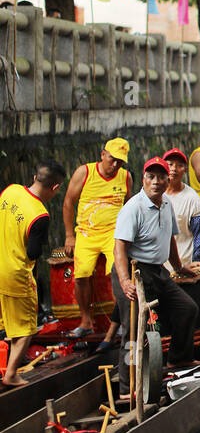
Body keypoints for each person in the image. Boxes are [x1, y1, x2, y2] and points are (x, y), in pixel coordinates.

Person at [112, 158, 200, 392]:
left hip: (158, 271)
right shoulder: (133, 207)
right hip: (134, 271)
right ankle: (127, 385)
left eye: (161, 177)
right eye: (151, 176)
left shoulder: (167, 205)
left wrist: (179, 267)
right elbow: (119, 247)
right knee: (133, 328)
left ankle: (178, 357)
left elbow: (169, 238)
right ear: (144, 179)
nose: (157, 182)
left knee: (187, 308)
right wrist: (124, 281)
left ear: (167, 180)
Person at [0, 160, 66, 387]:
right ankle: (10, 374)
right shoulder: (40, 214)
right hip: (15, 275)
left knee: (5, 324)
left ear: (35, 176)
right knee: (26, 328)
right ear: (55, 187)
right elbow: (33, 252)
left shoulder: (10, 191)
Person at [61, 138, 132, 335]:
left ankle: (120, 323)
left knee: (118, 275)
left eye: (120, 161)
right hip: (86, 232)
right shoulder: (84, 172)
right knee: (81, 275)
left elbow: (129, 208)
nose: (115, 165)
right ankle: (85, 321)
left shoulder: (125, 177)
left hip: (114, 233)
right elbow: (68, 203)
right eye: (112, 159)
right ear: (102, 155)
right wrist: (69, 235)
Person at [163, 149, 200, 266]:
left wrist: (197, 261)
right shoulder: (154, 194)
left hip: (184, 265)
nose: (174, 169)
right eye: (170, 164)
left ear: (185, 170)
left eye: (179, 165)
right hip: (158, 266)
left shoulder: (192, 199)